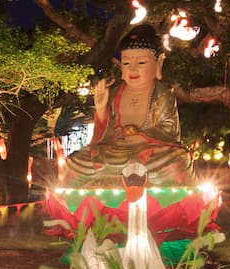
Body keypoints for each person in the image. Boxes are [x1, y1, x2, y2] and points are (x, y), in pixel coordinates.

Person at [60, 24, 192, 185]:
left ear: (159, 64)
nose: (133, 69)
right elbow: (105, 133)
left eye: (142, 63)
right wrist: (101, 108)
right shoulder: (115, 94)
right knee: (75, 161)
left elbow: (169, 130)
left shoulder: (162, 93)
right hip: (116, 152)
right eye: (126, 63)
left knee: (177, 161)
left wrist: (139, 138)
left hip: (150, 152)